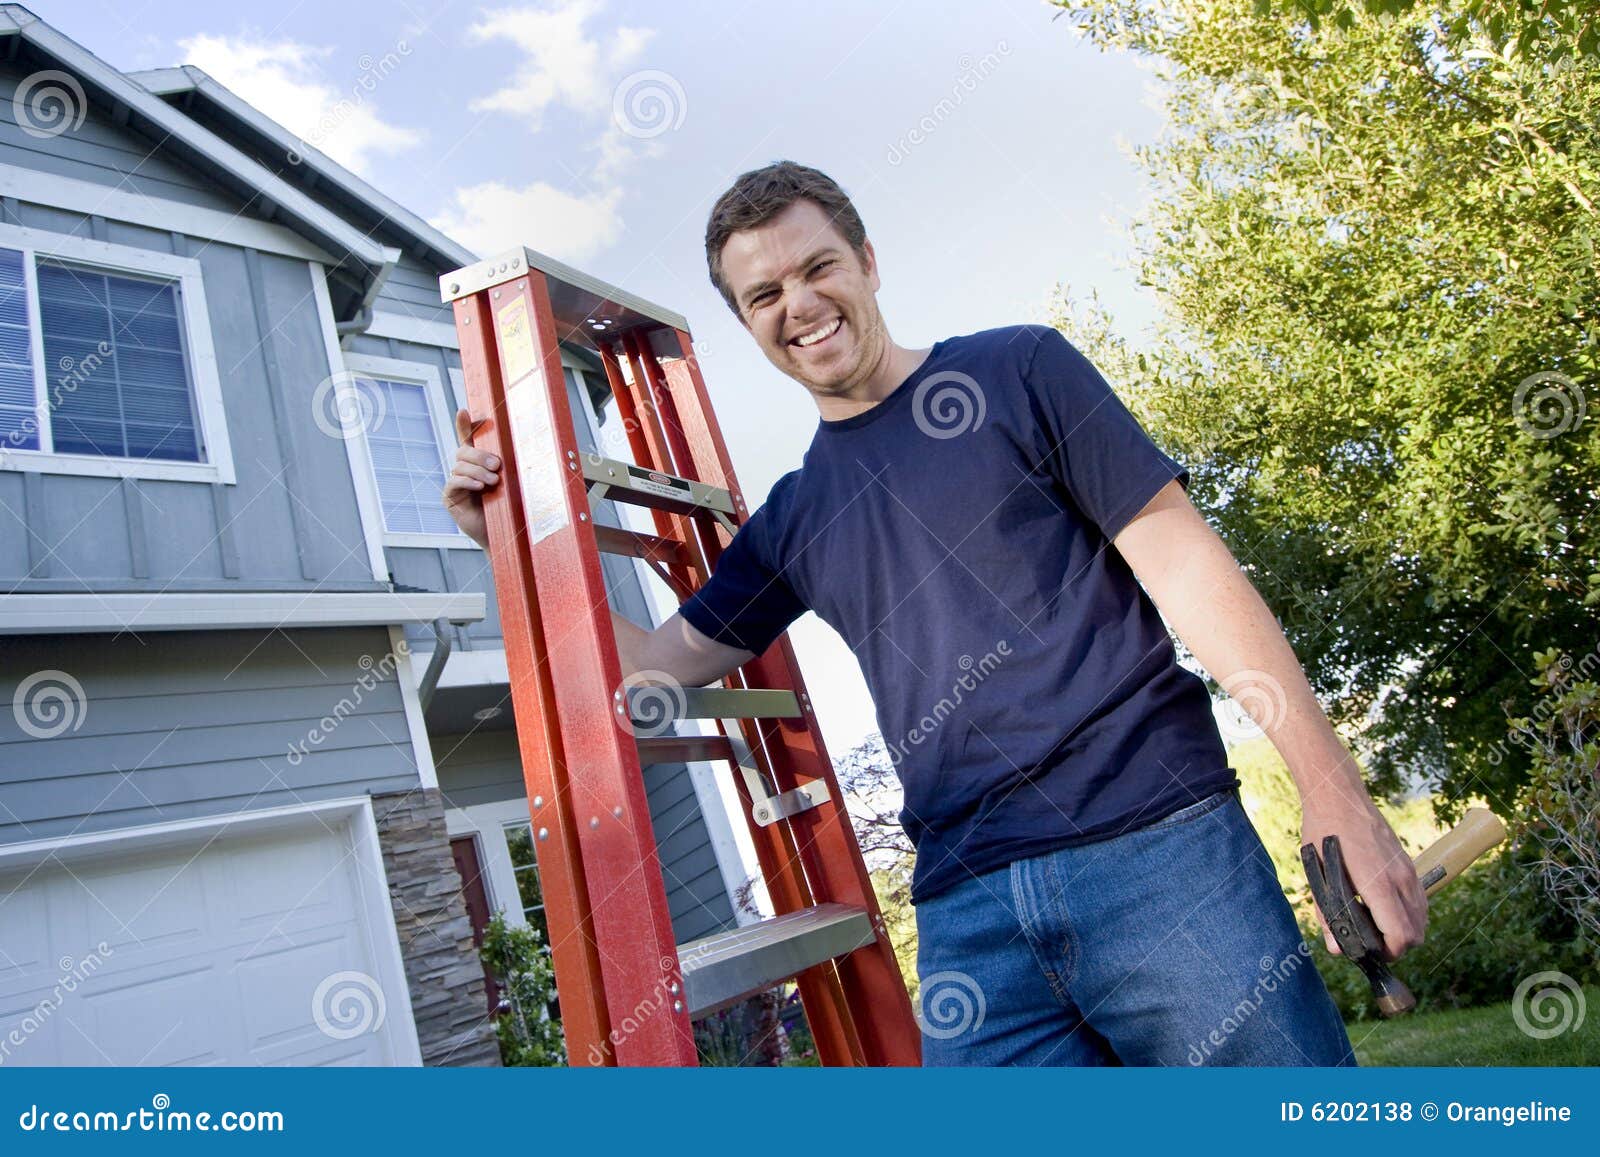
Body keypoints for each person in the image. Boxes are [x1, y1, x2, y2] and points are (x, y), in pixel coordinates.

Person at [442, 160, 1426, 1066]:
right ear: (748, 323)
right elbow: (647, 674)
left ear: (866, 261)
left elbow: (1188, 566)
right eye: (765, 295)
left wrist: (1328, 783)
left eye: (815, 266)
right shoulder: (794, 518)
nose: (799, 304)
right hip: (969, 916)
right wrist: (510, 547)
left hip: (1160, 851)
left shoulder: (1019, 372)